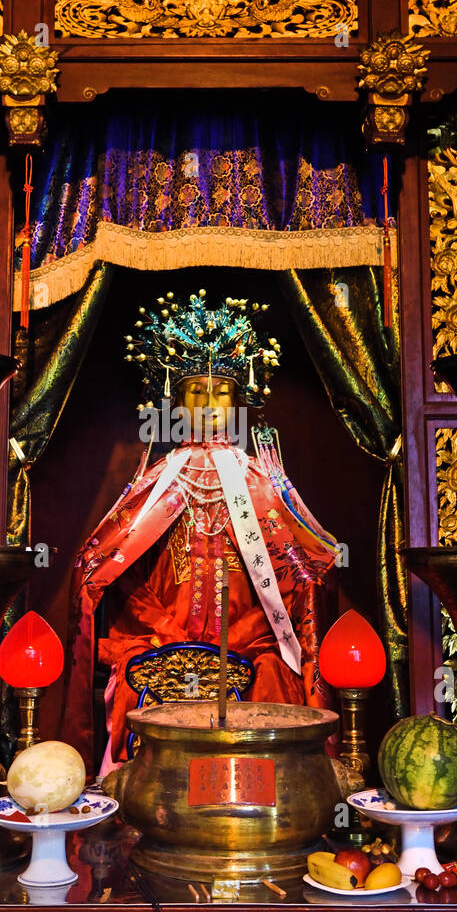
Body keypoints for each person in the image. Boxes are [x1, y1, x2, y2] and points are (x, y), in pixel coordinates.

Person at [63, 291, 342, 772]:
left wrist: (253, 631)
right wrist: (166, 631)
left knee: (273, 675)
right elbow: (113, 568)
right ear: (176, 400)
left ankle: (275, 796)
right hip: (161, 640)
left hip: (252, 644)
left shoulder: (259, 481)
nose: (210, 405)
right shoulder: (157, 482)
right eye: (196, 391)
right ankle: (141, 796)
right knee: (140, 677)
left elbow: (301, 571)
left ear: (238, 400)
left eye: (221, 392)